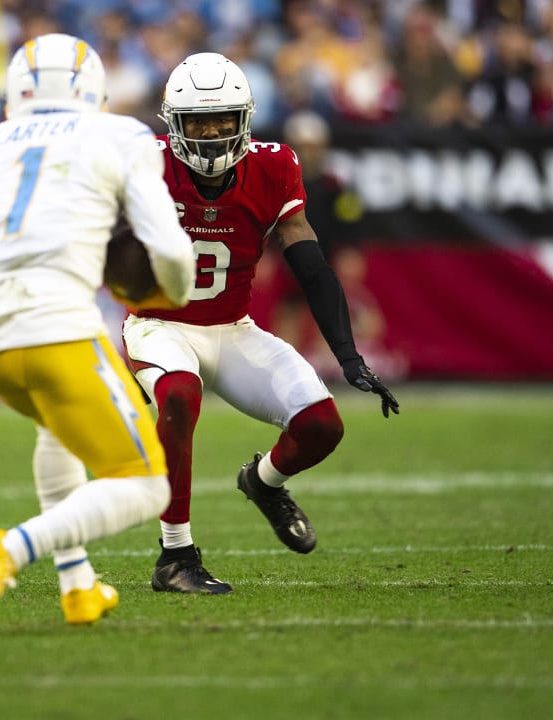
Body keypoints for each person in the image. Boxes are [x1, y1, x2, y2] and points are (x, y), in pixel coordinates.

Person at [0, 33, 195, 636]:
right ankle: (6, 550)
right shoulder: (122, 137)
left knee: (54, 429)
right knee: (145, 486)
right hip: (56, 329)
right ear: (97, 93)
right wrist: (175, 293)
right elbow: (168, 248)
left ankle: (78, 586)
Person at [122, 53, 399, 595]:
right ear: (172, 125)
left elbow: (311, 265)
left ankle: (264, 482)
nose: (208, 135)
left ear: (244, 119)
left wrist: (348, 355)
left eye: (221, 121)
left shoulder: (273, 166)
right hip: (160, 326)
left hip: (232, 328)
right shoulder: (141, 163)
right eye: (196, 122)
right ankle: (175, 555)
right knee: (179, 394)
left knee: (323, 426)